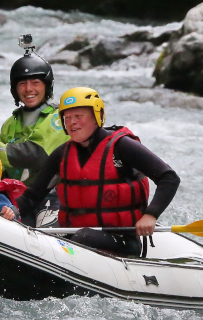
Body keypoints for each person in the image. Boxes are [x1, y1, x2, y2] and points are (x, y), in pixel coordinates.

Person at [16, 87, 180, 257]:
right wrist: (11, 210)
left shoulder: (122, 146)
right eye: (67, 117)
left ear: (96, 116)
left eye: (79, 116)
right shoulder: (62, 154)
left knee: (84, 237)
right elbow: (32, 197)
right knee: (32, 222)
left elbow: (169, 178)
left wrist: (151, 215)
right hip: (76, 236)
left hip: (122, 239)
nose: (72, 122)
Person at [0, 35, 68, 226]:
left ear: (47, 86)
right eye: (22, 84)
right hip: (19, 195)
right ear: (15, 89)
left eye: (35, 83)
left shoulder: (57, 118)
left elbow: (37, 154)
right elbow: (1, 168)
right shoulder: (11, 123)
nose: (28, 89)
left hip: (51, 195)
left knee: (44, 233)